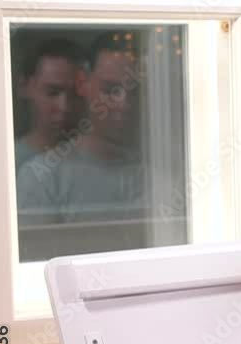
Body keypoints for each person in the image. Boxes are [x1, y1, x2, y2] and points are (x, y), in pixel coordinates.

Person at [16, 32, 166, 262]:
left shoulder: (158, 176)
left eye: (135, 91)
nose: (123, 104)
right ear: (82, 83)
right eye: (110, 90)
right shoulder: (41, 177)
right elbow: (32, 274)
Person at [14, 38, 83, 171]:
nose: (65, 107)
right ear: (24, 87)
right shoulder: (4, 160)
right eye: (52, 93)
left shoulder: (99, 161)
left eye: (76, 95)